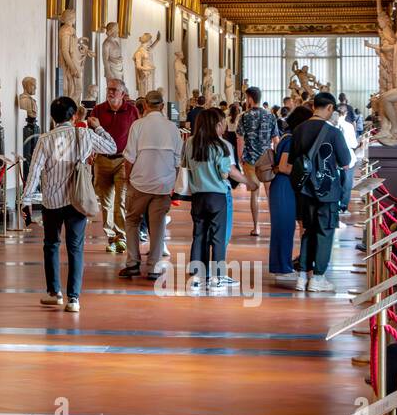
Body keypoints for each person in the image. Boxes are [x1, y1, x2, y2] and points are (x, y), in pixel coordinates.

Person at [22, 97, 117, 313]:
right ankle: (73, 299)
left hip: (52, 201)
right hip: (77, 199)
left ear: (52, 117)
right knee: (75, 248)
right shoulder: (84, 134)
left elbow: (34, 171)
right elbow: (112, 147)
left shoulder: (45, 139)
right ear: (74, 116)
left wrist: (26, 200)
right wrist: (99, 128)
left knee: (51, 244)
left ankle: (54, 293)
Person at [288, 91, 353, 292]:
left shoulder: (298, 130)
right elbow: (345, 161)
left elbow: (293, 161)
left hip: (304, 191)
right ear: (330, 108)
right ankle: (318, 278)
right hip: (327, 190)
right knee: (325, 232)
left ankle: (301, 277)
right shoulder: (334, 132)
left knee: (308, 231)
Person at [185, 107, 255, 290]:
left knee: (199, 235)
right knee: (217, 237)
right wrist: (246, 181)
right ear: (217, 125)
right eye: (223, 123)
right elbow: (225, 173)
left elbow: (184, 166)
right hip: (217, 195)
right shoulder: (221, 145)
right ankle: (218, 277)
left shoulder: (191, 142)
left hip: (198, 196)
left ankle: (197, 277)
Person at [119, 89, 184, 280]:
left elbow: (129, 158)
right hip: (163, 185)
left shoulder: (138, 125)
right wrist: (172, 182)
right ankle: (154, 267)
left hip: (139, 182)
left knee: (132, 220)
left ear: (146, 105)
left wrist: (128, 179)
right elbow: (178, 160)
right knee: (158, 226)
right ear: (162, 106)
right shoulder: (173, 128)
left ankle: (132, 263)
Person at [90, 78, 140, 254]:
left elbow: (137, 134)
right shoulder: (98, 109)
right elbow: (91, 134)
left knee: (121, 200)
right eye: (109, 89)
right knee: (105, 202)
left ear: (123, 93)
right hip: (102, 160)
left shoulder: (131, 110)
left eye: (114, 90)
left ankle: (121, 237)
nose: (110, 92)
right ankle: (110, 237)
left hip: (122, 160)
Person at [269, 105, 311, 284]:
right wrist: (306, 169)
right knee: (283, 228)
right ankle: (282, 267)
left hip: (285, 186)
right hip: (284, 186)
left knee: (285, 227)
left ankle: (282, 264)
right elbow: (285, 166)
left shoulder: (289, 136)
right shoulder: (291, 139)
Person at [236, 86, 279, 238]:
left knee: (254, 193)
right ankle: (275, 224)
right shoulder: (270, 116)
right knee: (270, 192)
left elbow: (240, 139)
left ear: (250, 99)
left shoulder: (244, 116)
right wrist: (277, 158)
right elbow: (276, 140)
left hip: (250, 159)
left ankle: (256, 227)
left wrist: (240, 157)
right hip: (267, 159)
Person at [331, 103, 360, 215]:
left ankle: (334, 205)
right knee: (346, 184)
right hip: (348, 158)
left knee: (335, 182)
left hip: (333, 159)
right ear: (346, 113)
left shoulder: (331, 126)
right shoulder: (348, 126)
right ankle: (343, 207)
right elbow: (353, 144)